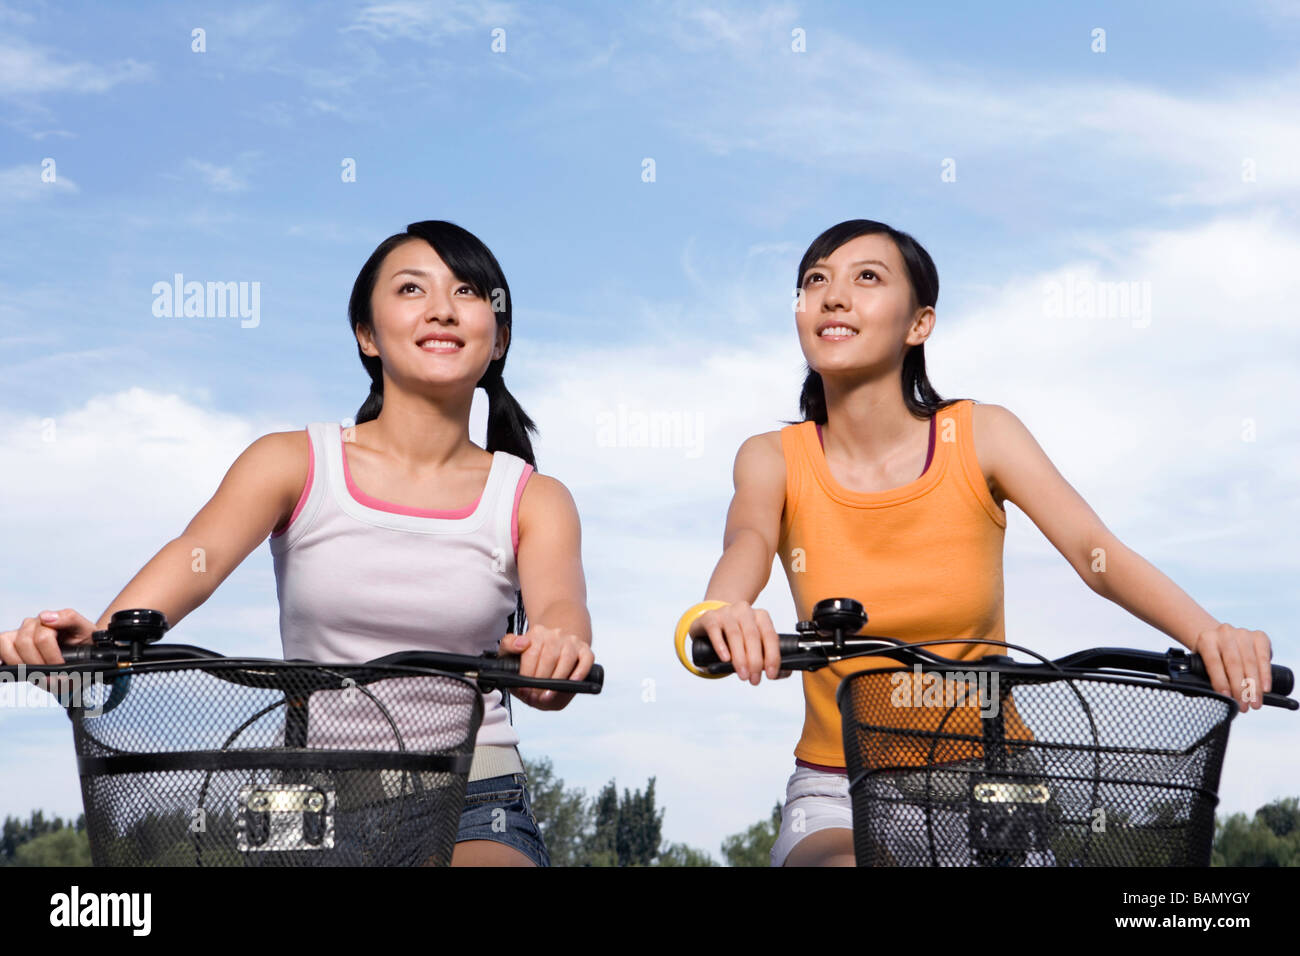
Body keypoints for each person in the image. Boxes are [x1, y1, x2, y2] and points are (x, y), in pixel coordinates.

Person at [679, 218, 1275, 867]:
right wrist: (722, 611)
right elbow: (747, 539)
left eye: (867, 278)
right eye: (814, 281)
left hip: (996, 782)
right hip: (841, 787)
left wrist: (1210, 633)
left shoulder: (982, 434)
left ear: (920, 323)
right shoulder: (774, 457)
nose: (833, 296)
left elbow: (1095, 553)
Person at [2, 220, 594, 867]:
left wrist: (557, 648)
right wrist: (101, 643)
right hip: (312, 799)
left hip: (472, 794)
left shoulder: (535, 497)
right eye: (410, 290)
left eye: (468, 292)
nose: (442, 309)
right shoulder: (290, 461)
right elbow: (196, 556)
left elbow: (560, 619)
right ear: (367, 335)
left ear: (498, 334)